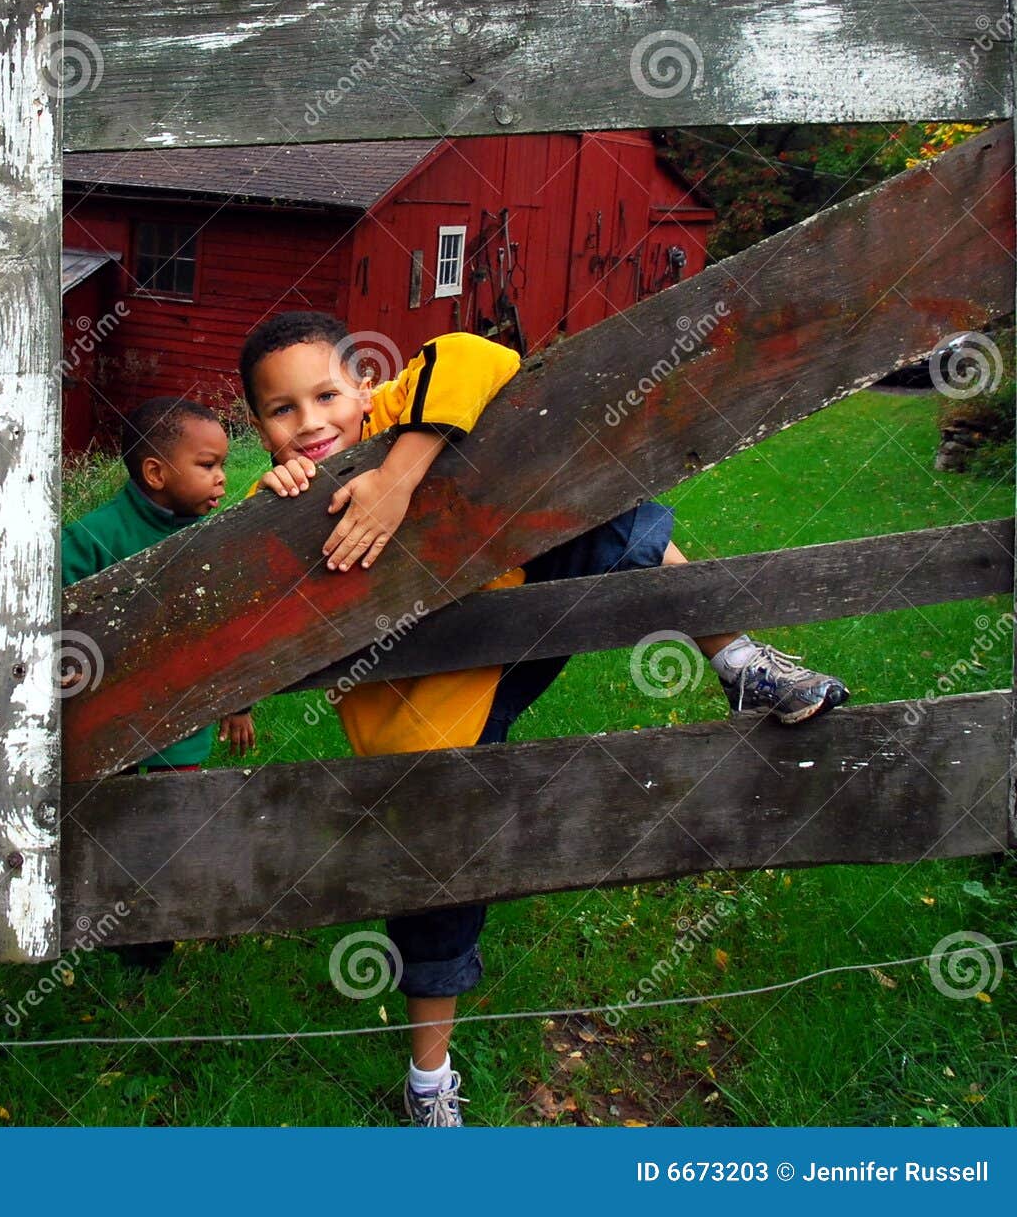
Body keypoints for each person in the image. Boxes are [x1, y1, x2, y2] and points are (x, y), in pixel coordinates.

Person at [239, 310, 848, 1125]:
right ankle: (428, 1087)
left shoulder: (395, 416)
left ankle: (737, 661)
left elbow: (475, 353)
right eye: (283, 410)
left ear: (364, 386)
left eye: (325, 395)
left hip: (508, 634)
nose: (312, 422)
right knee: (439, 885)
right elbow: (240, 601)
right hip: (426, 718)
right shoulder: (275, 498)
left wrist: (400, 476)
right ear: (259, 427)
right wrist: (273, 497)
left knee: (593, 503)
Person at [62, 396, 254, 970]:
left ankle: (158, 934)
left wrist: (238, 702)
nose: (222, 477)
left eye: (222, 464)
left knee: (171, 824)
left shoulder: (212, 539)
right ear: (155, 472)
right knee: (111, 819)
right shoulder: (93, 538)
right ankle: (107, 924)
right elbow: (55, 616)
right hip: (107, 720)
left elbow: (229, 628)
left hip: (182, 721)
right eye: (208, 464)